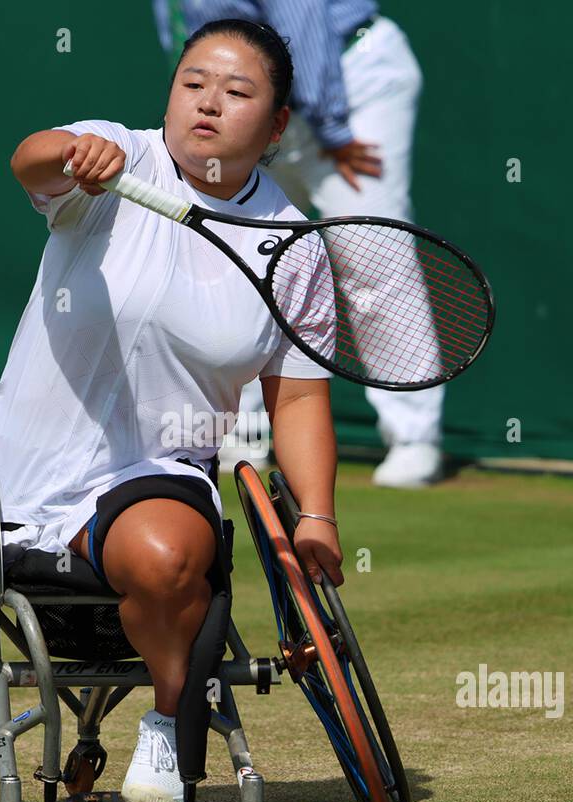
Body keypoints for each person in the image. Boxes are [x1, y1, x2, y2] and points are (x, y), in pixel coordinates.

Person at [0, 19, 344, 802]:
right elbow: (30, 159)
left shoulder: (293, 247)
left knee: (168, 552)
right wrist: (75, 158)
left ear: (278, 124)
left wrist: (315, 514)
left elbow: (301, 396)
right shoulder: (121, 155)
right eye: (193, 83)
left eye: (237, 91)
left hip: (157, 477)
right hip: (31, 470)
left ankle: (164, 719)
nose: (208, 104)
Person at [155, 0, 444, 486]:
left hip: (347, 83)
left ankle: (414, 436)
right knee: (232, 250)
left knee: (368, 252)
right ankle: (237, 430)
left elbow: (302, 16)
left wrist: (332, 127)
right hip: (256, 100)